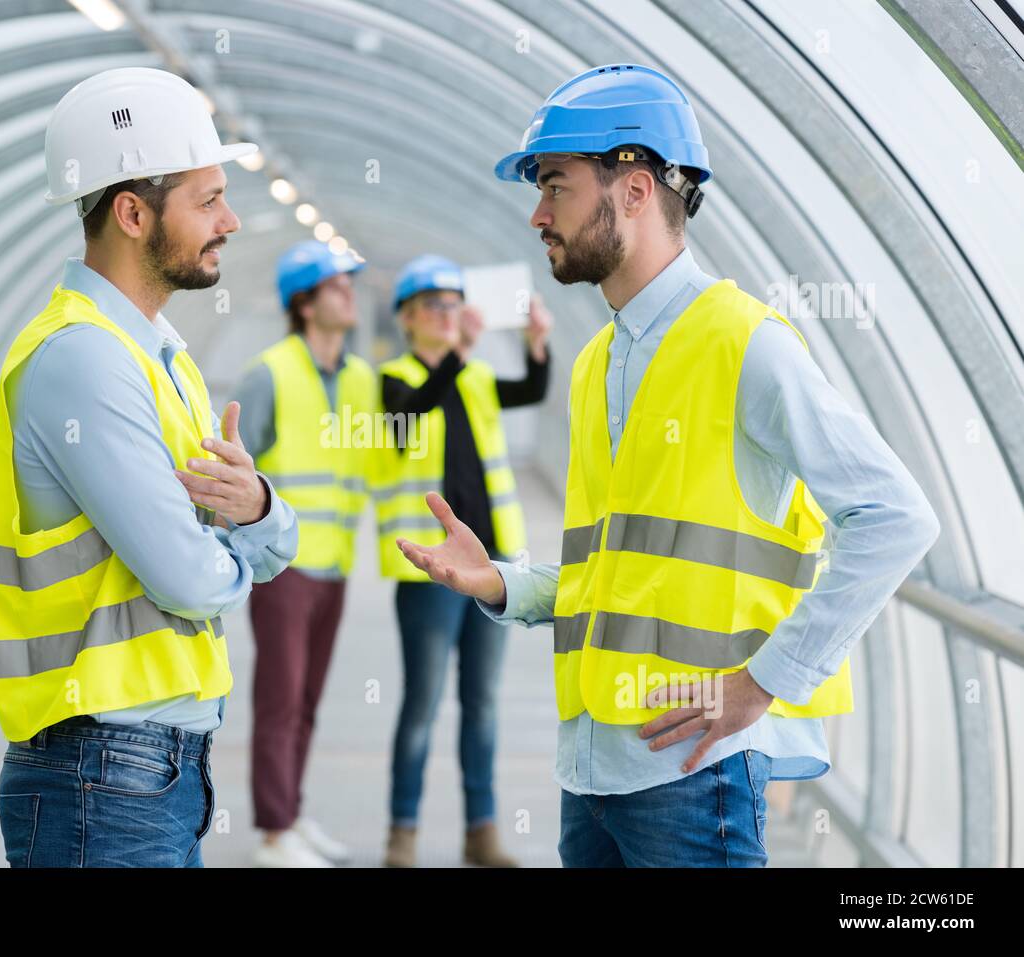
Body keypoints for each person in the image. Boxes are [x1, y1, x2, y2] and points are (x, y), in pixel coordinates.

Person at [397, 63, 941, 867]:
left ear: (637, 188)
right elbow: (617, 571)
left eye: (555, 185)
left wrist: (764, 682)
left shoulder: (743, 342)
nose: (538, 214)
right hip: (589, 773)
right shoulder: (594, 364)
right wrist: (503, 584)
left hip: (694, 777)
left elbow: (897, 518)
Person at [0, 67, 297, 867]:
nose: (230, 219)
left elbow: (254, 533)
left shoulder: (160, 357)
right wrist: (246, 547)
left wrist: (260, 509)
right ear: (131, 212)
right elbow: (187, 579)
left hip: (147, 772)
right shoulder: (82, 358)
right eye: (207, 200)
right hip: (102, 771)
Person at [374, 253, 552, 867]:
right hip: (426, 573)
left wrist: (537, 346)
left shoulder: (472, 376)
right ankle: (403, 834)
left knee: (481, 702)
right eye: (434, 307)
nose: (448, 316)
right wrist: (459, 355)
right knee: (421, 704)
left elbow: (529, 390)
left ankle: (482, 833)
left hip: (491, 567)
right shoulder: (391, 378)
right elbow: (410, 413)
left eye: (455, 305)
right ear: (407, 319)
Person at [231, 241, 378, 867]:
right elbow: (233, 475)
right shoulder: (268, 373)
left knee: (308, 699)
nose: (350, 296)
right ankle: (272, 832)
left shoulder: (363, 377)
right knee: (280, 698)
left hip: (336, 564)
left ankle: (290, 813)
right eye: (337, 286)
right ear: (305, 302)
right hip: (281, 571)